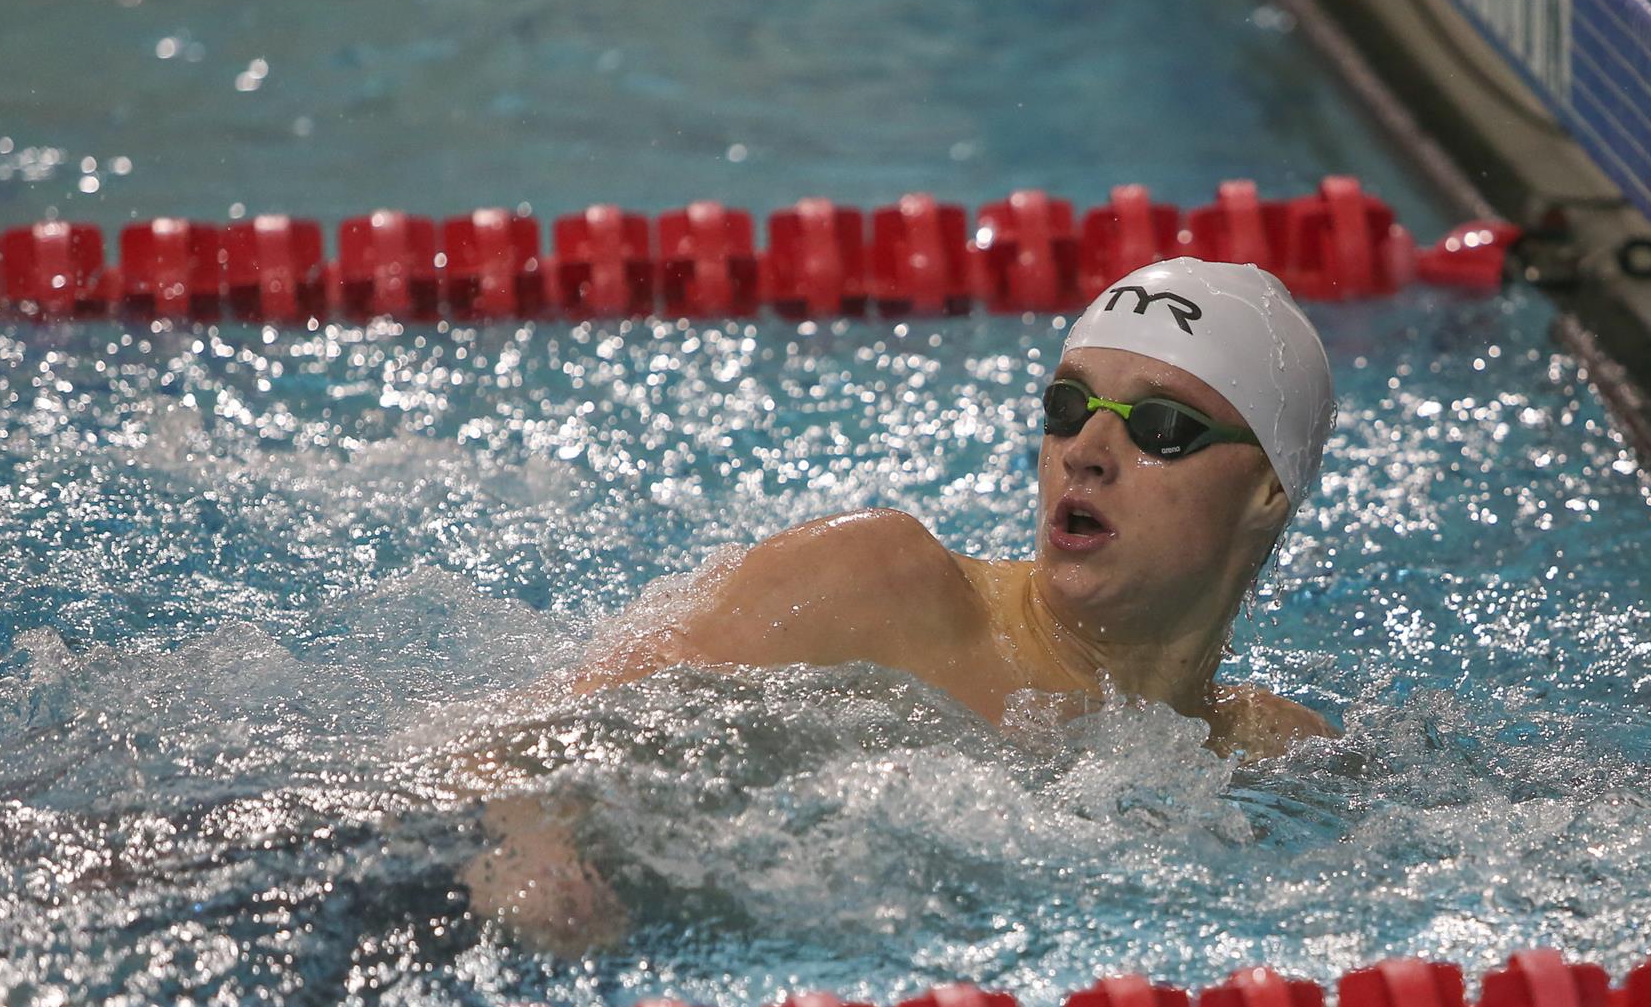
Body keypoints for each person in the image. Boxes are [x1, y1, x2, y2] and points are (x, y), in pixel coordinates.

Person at [462, 256, 1338, 947]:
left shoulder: (1280, 757)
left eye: (1162, 429)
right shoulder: (881, 583)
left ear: (1267, 491)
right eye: (1068, 408)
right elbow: (527, 739)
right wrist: (530, 839)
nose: (1087, 451)